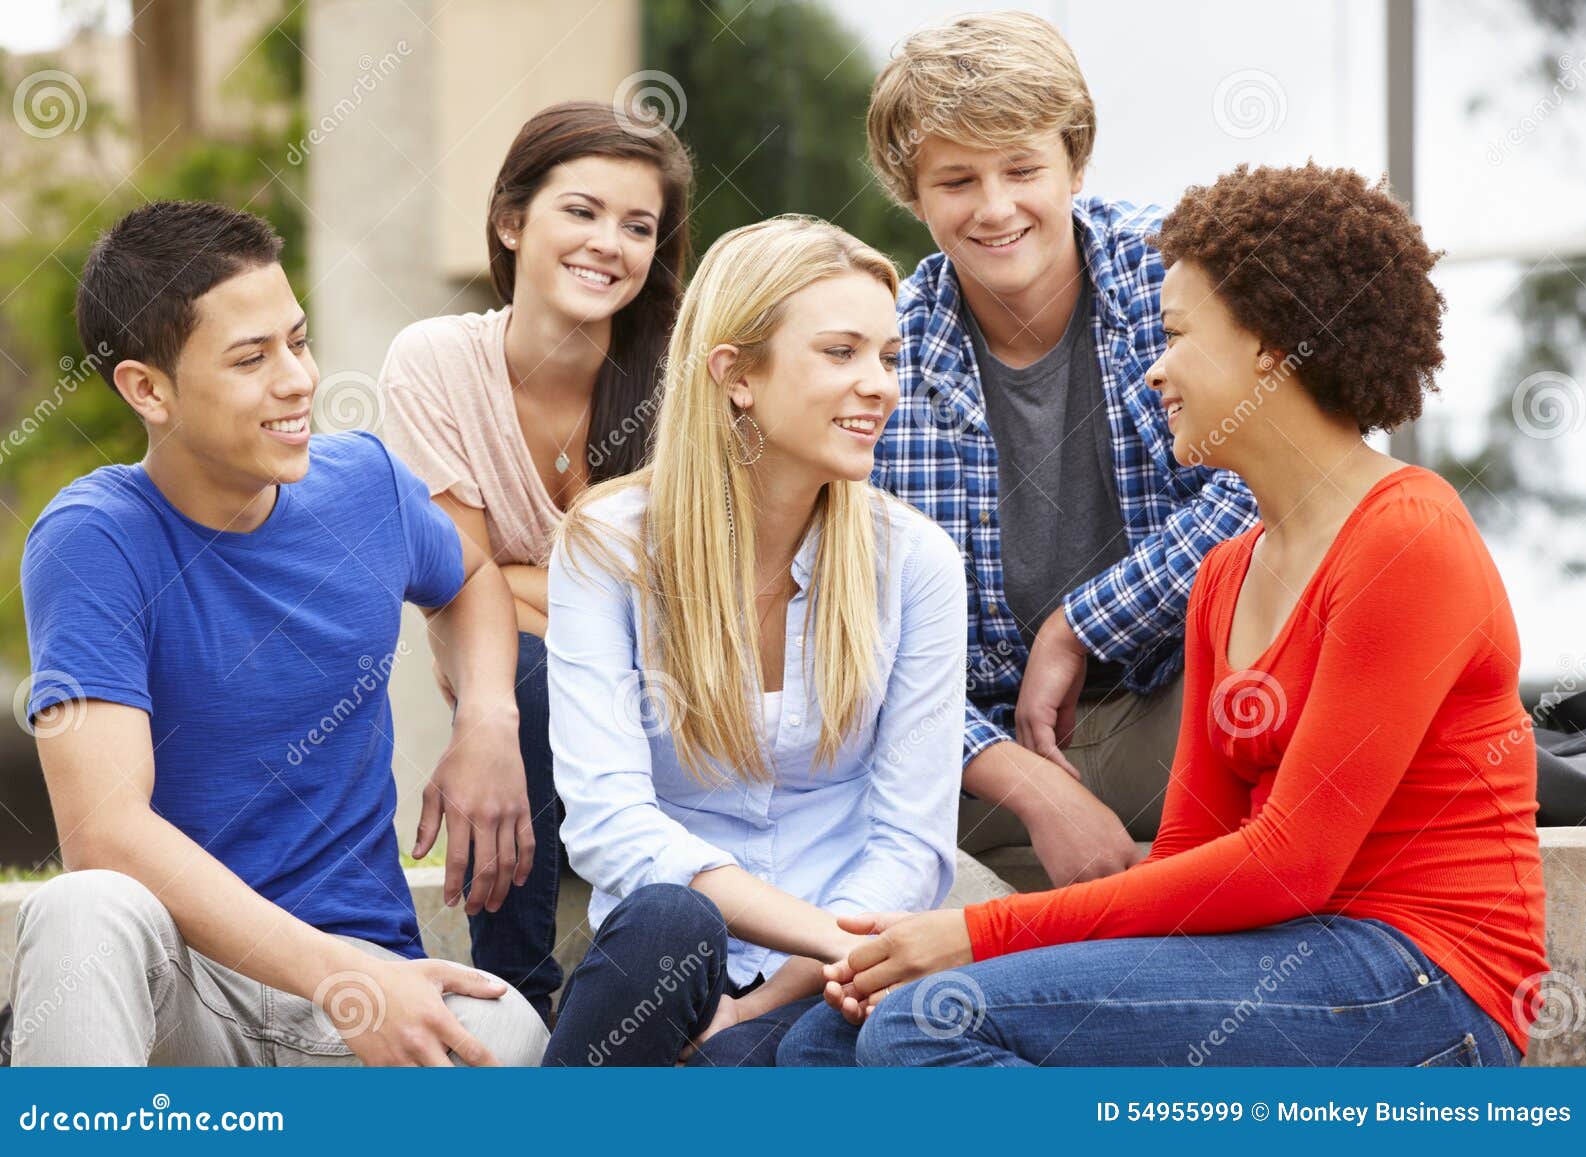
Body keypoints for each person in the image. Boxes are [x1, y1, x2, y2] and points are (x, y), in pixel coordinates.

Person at [785, 162, 1548, 1068]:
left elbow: (1289, 862)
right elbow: (1190, 851)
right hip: (1277, 963)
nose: (1155, 369)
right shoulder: (1224, 575)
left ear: (1268, 345)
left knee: (926, 1021)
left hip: (1428, 985)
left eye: (1178, 334)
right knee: (828, 1038)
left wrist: (977, 934)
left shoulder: (1406, 536)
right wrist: (966, 945)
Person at [11, 201, 547, 1067]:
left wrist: (488, 717)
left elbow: (474, 576)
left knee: (511, 1028)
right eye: (251, 358)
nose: (298, 379)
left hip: (358, 1000)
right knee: (83, 907)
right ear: (148, 389)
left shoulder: (365, 484)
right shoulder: (95, 537)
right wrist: (341, 975)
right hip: (191, 992)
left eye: (297, 341)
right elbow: (104, 832)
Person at [537, 216, 967, 1067]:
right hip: (663, 961)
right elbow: (610, 823)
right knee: (671, 918)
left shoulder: (916, 561)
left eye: (887, 356)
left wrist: (765, 998)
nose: (880, 385)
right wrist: (821, 934)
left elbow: (910, 844)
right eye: (841, 352)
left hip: (828, 978)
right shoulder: (609, 545)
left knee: (762, 1056)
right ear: (736, 375)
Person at [865, 12, 1259, 884]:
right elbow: (860, 643)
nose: (995, 207)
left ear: (1075, 165)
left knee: (1313, 694)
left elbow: (1272, 483)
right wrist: (1034, 788)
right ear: (914, 195)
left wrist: (1082, 623)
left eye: (1022, 169)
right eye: (957, 180)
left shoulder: (1174, 274)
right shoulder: (885, 358)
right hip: (988, 756)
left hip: (1188, 698)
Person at [379, 101, 693, 1025]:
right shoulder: (435, 363)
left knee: (526, 659)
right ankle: (518, 999)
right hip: (522, 698)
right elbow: (454, 583)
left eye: (638, 226)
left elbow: (684, 612)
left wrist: (505, 586)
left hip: (672, 703)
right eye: (582, 211)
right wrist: (573, 607)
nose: (609, 244)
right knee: (519, 671)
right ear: (512, 222)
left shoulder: (683, 380)